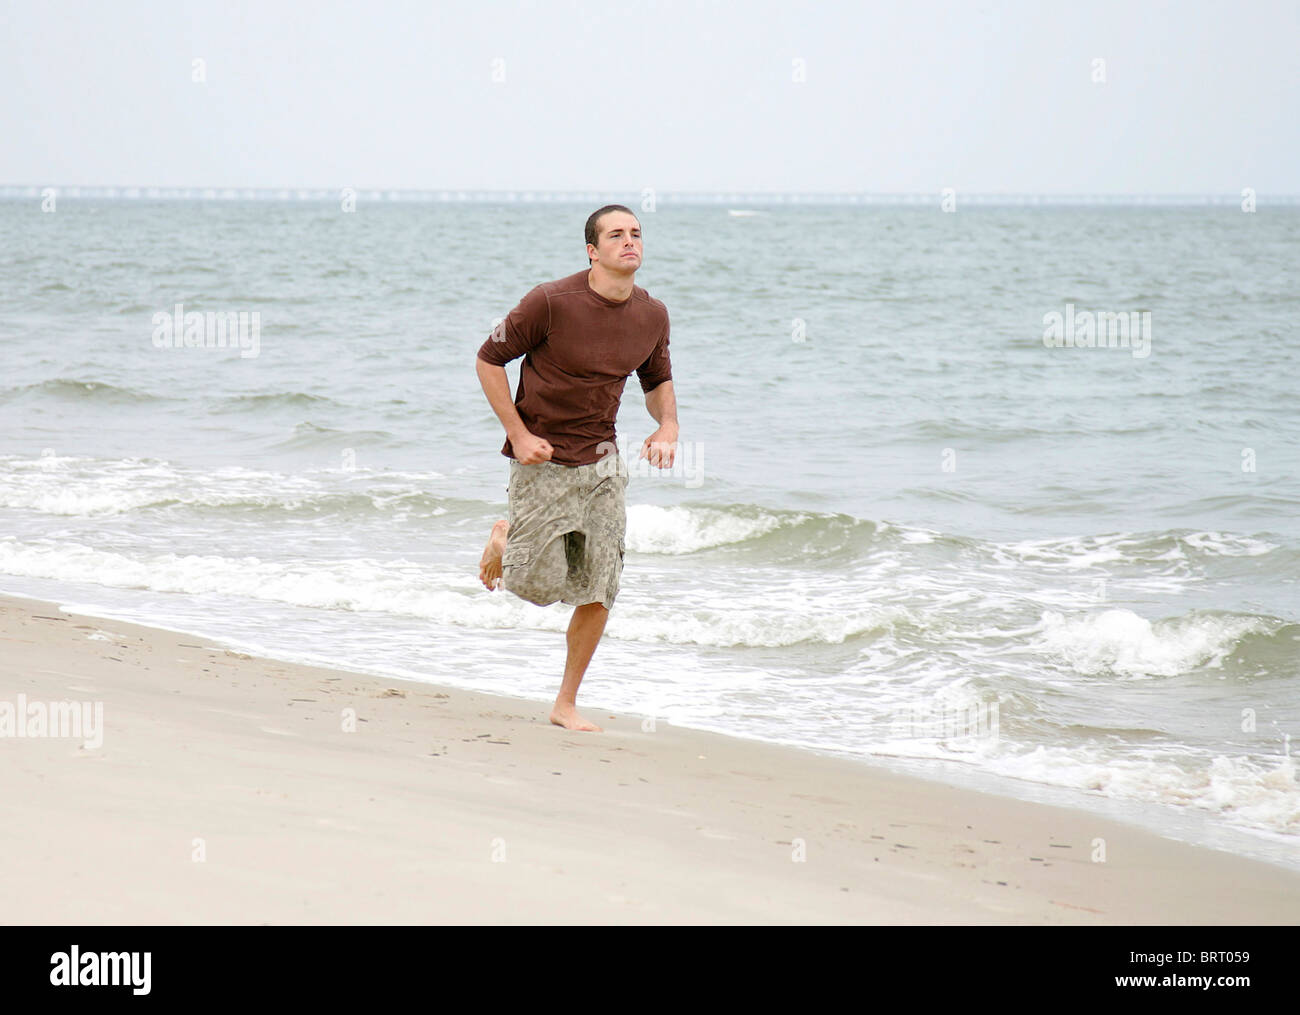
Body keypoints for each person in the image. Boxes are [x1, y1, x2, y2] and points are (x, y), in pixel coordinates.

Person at [474, 205, 679, 732]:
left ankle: (565, 703)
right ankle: (505, 540)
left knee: (600, 586)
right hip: (542, 461)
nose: (629, 242)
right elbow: (488, 358)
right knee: (534, 586)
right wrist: (519, 435)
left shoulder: (652, 315)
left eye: (636, 234)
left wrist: (668, 426)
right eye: (616, 235)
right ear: (592, 250)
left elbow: (656, 382)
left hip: (603, 463)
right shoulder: (550, 302)